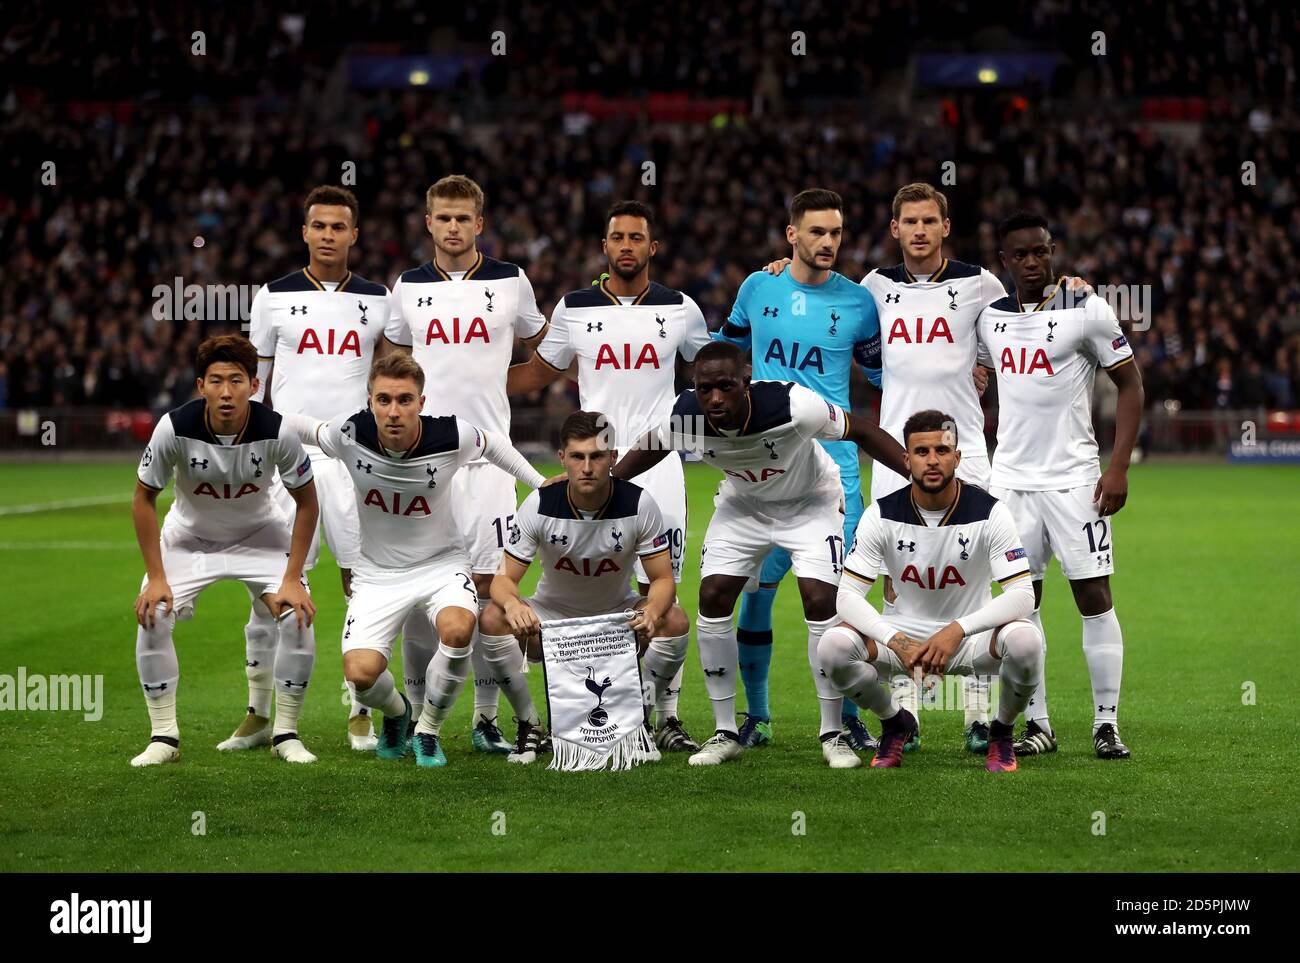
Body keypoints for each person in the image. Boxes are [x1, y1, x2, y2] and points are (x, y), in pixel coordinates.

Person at [612, 340, 907, 767]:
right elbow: (652, 445)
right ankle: (724, 731)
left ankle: (832, 733)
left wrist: (910, 470)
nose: (714, 398)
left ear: (746, 382)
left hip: (810, 503)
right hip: (743, 506)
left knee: (821, 599)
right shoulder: (686, 415)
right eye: (705, 388)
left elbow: (860, 429)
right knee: (712, 596)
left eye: (725, 387)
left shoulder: (794, 406)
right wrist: (613, 485)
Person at [507, 200, 711, 753]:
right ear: (604, 246)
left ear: (653, 247)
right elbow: (534, 374)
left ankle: (658, 713)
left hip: (662, 468)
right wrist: (469, 379)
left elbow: (718, 371)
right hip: (592, 465)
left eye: (636, 238)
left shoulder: (680, 309)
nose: (626, 246)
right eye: (617, 237)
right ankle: (606, 710)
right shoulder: (573, 308)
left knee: (659, 598)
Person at [282, 353, 546, 768]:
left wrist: (541, 485)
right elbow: (301, 426)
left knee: (460, 629)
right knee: (361, 675)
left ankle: (427, 730)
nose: (393, 411)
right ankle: (399, 713)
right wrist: (254, 414)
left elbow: (493, 443)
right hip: (377, 575)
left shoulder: (450, 435)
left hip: (442, 565)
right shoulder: (350, 432)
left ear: (421, 402)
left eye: (404, 400)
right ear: (369, 400)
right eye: (383, 400)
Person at [715, 187, 889, 752]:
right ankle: (757, 715)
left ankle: (850, 715)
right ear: (791, 234)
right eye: (816, 232)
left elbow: (888, 378)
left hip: (834, 475)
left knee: (841, 602)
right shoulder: (757, 287)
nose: (828, 242)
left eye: (836, 233)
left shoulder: (860, 303)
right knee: (755, 596)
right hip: (762, 468)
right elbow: (723, 353)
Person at [234, 184, 403, 753]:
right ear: (304, 232)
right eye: (319, 226)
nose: (328, 235)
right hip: (286, 462)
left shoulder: (379, 299)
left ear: (354, 234)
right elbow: (256, 384)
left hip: (354, 461)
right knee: (272, 587)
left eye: (339, 227)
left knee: (363, 581)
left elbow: (392, 380)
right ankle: (262, 716)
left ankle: (360, 711)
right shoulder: (272, 297)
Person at [387, 174, 550, 755]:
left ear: (479, 224)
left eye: (463, 218)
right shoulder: (406, 288)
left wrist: (503, 395)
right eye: (442, 218)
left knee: (491, 593)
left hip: (489, 468)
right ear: (428, 223)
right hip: (424, 467)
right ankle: (406, 716)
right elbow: (397, 368)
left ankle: (486, 719)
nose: (453, 227)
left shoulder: (511, 281)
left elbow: (547, 351)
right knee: (410, 589)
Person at [978, 211, 1143, 759]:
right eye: (1020, 254)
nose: (1032, 262)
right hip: (1011, 483)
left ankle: (1106, 723)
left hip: (1076, 481)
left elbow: (1131, 385)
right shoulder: (989, 318)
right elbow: (976, 378)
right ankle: (1039, 725)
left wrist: (1116, 467)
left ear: (1053, 252)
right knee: (1022, 605)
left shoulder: (1086, 308)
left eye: (1041, 252)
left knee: (1093, 597)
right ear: (1005, 260)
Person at [818, 409, 1043, 772]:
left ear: (958, 457)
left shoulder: (991, 513)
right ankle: (894, 722)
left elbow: (1022, 595)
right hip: (904, 640)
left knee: (1027, 641)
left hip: (971, 640)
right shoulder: (881, 514)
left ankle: (1001, 732)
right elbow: (846, 596)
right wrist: (896, 639)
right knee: (833, 647)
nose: (933, 460)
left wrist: (957, 630)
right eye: (922, 452)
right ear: (906, 459)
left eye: (942, 450)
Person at [131, 334, 319, 766]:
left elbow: (307, 502)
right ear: (201, 386)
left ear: (255, 385)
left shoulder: (277, 430)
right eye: (216, 380)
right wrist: (157, 577)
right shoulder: (174, 428)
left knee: (297, 615)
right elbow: (143, 498)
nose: (226, 391)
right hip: (189, 539)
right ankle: (164, 738)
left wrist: (292, 578)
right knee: (152, 614)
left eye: (237, 380)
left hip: (261, 535)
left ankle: (286, 733)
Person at [484, 410, 689, 764]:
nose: (587, 467)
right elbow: (502, 580)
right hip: (552, 621)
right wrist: (515, 606)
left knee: (675, 620)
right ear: (562, 458)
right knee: (492, 618)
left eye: (596, 456)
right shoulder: (539, 504)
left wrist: (652, 612)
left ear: (613, 458)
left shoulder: (639, 504)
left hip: (617, 619)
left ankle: (644, 719)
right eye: (577, 457)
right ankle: (529, 724)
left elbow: (662, 580)